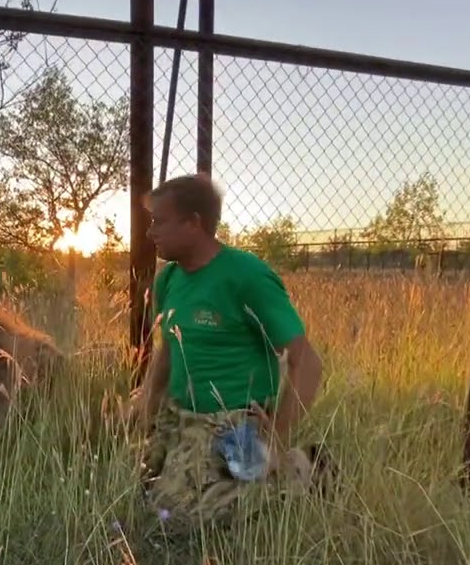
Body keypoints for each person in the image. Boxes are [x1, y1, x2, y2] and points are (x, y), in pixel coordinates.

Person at [129, 173, 329, 523]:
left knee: (180, 515)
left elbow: (307, 363)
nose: (150, 232)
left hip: (232, 421)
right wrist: (148, 401)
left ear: (194, 223)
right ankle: (237, 474)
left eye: (160, 222)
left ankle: (301, 469)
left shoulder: (248, 277)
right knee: (135, 487)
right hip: (181, 415)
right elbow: (170, 347)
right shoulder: (169, 280)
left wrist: (274, 439)